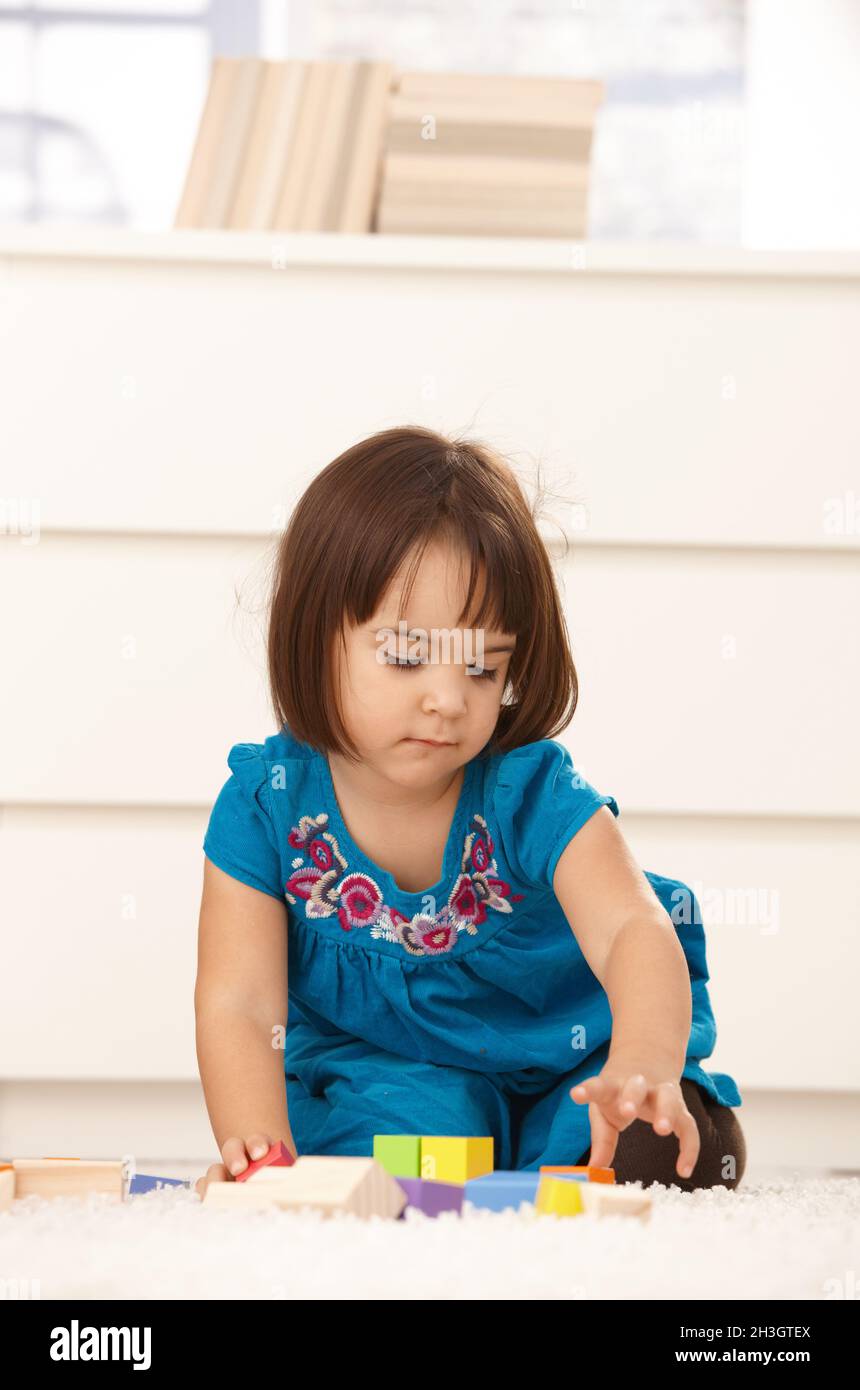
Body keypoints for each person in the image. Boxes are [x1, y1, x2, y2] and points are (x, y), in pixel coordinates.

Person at [194, 425, 745, 1198]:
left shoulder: (529, 792)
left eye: (483, 668)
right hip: (392, 1070)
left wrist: (642, 1066)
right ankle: (459, 1148)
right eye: (407, 656)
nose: (449, 699)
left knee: (644, 1149)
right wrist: (257, 1144)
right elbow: (241, 1002)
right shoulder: (266, 807)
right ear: (316, 637)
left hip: (571, 1057)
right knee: (407, 1147)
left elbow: (632, 927)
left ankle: (644, 1115)